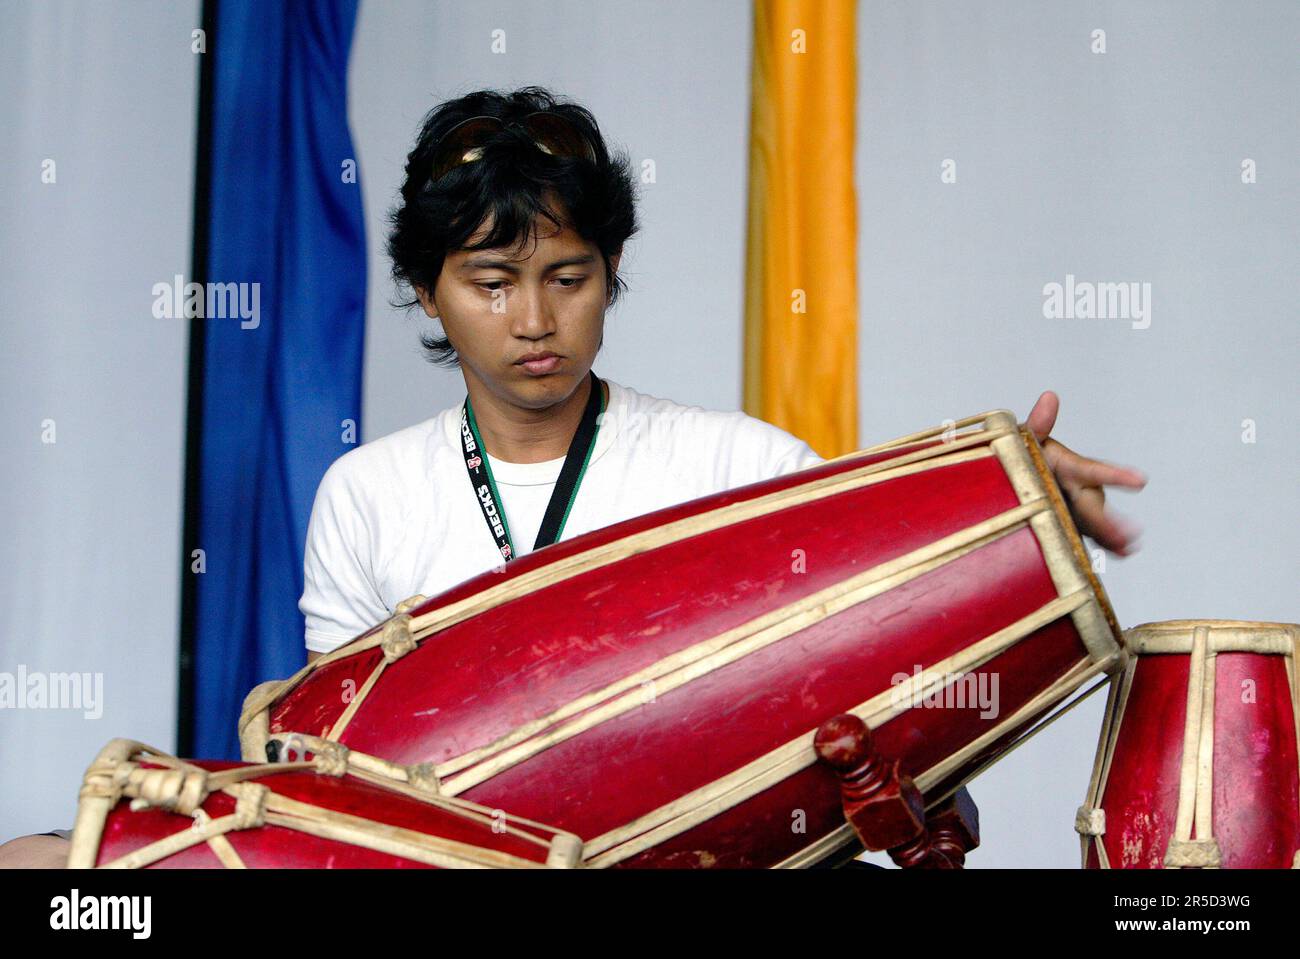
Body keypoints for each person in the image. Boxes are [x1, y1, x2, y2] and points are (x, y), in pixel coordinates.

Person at [0, 85, 1144, 868]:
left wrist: (1004, 513)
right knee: (47, 864)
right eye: (491, 280)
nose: (534, 320)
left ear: (610, 275)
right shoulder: (369, 491)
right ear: (429, 289)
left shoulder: (741, 465)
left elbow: (896, 713)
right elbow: (338, 776)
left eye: (569, 274)